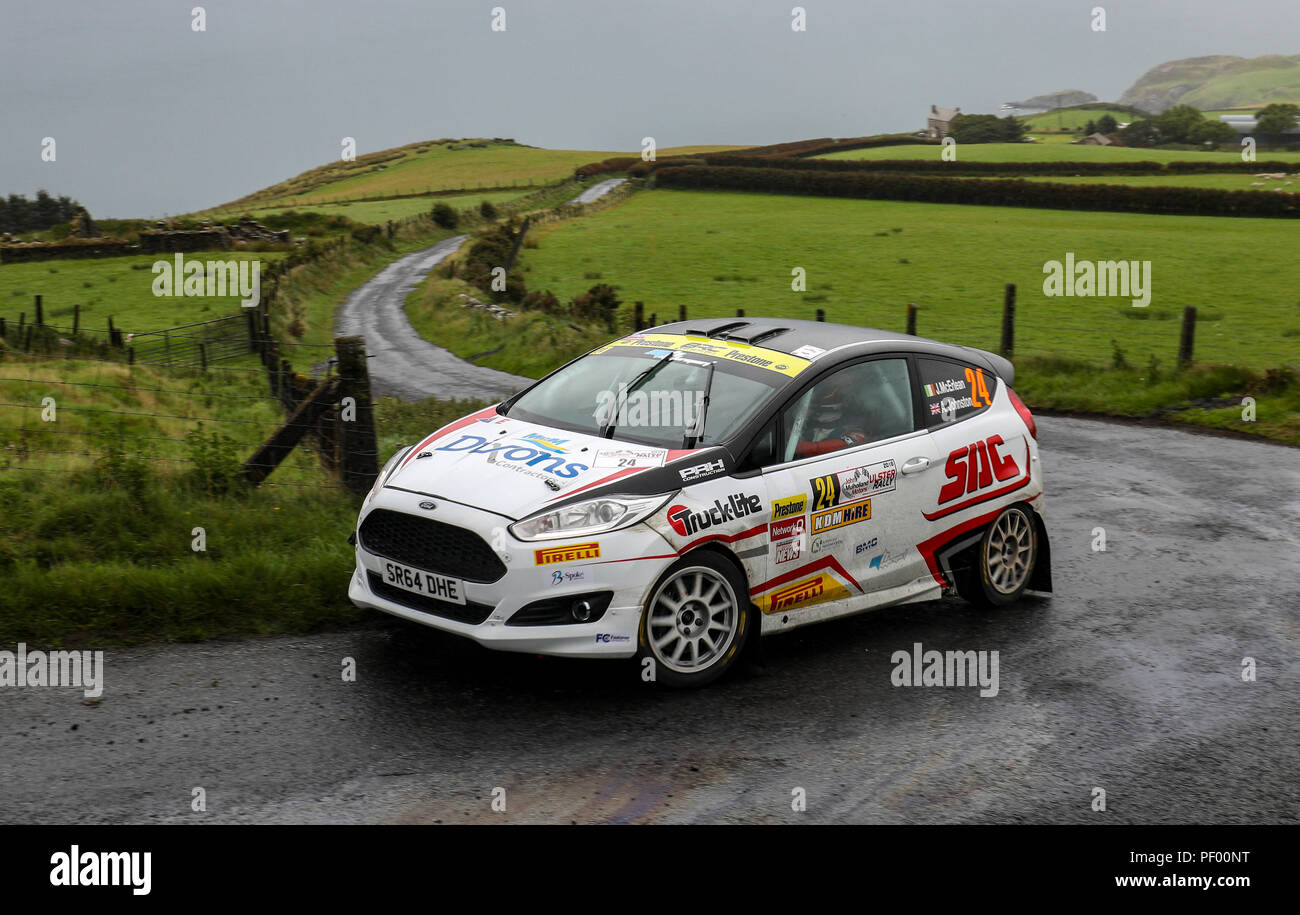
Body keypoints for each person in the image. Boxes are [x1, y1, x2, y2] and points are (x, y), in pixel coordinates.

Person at [794, 375, 867, 458]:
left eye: (819, 411)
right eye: (813, 410)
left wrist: (809, 447)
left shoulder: (852, 429)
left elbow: (851, 442)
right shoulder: (803, 427)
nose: (814, 414)